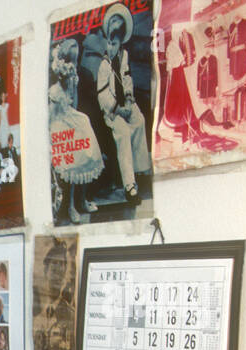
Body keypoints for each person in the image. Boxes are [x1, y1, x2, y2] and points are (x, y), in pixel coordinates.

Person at [97, 5, 152, 206]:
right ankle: (130, 185)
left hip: (125, 104)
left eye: (115, 44)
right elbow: (103, 95)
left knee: (139, 120)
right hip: (112, 111)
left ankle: (139, 170)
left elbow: (127, 78)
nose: (111, 48)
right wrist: (119, 109)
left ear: (121, 43)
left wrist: (129, 100)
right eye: (109, 43)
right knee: (123, 133)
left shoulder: (124, 55)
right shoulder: (104, 65)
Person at [49, 37, 105, 224]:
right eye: (71, 60)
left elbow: (74, 102)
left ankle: (81, 199)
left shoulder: (74, 76)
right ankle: (71, 203)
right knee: (72, 152)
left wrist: (76, 120)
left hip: (69, 116)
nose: (72, 65)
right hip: (56, 119)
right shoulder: (55, 74)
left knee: (85, 125)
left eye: (75, 60)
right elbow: (53, 110)